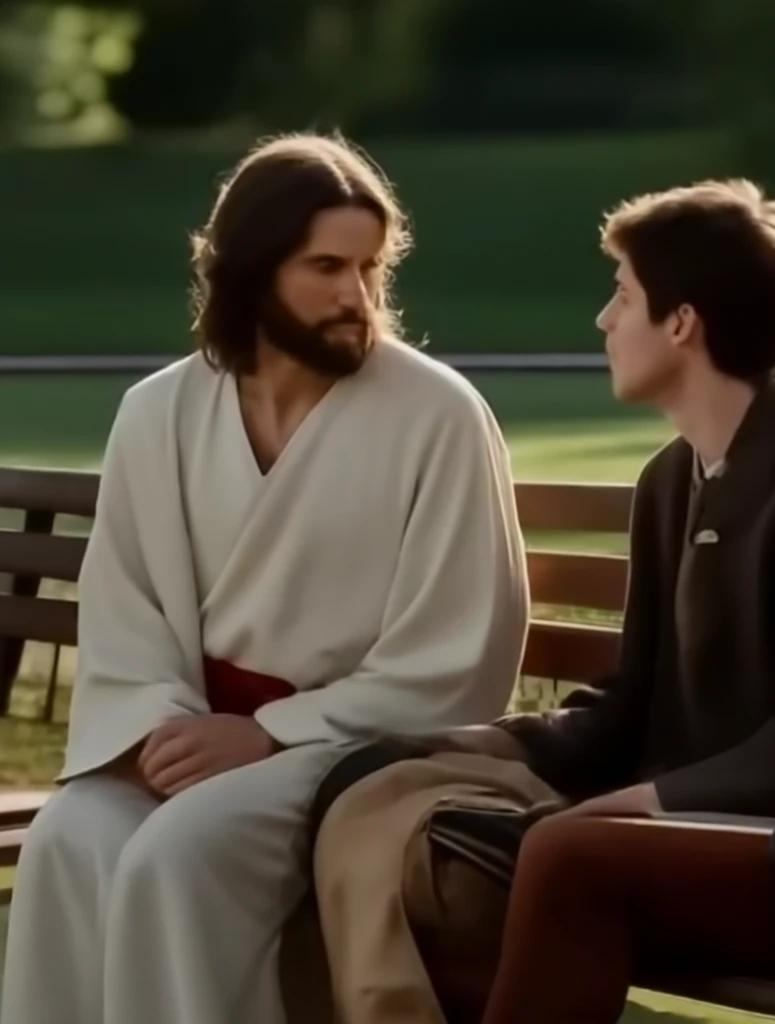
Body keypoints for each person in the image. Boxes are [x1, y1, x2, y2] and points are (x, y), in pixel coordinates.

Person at [0, 132, 529, 1024]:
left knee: (182, 856)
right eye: (326, 266)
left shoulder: (439, 415)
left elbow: (460, 651)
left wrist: (269, 734)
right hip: (183, 737)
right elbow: (125, 609)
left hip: (351, 753)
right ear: (248, 269)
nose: (354, 296)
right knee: (69, 838)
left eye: (369, 269)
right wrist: (167, 733)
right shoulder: (156, 412)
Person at [424, 179, 775, 1023]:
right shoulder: (670, 481)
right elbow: (632, 704)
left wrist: (639, 807)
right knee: (452, 854)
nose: (604, 321)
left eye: (623, 295)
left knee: (570, 858)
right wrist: (475, 743)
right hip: (726, 850)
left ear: (681, 323)